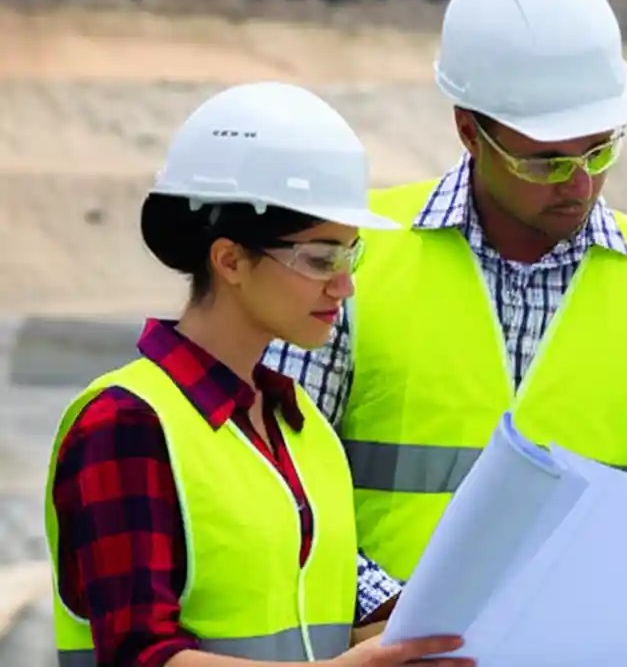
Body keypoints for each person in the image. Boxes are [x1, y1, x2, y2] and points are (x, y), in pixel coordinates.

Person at [263, 0, 627, 591]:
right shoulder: (351, 266)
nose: (580, 184)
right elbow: (274, 484)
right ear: (470, 132)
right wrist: (391, 618)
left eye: (600, 148)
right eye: (546, 161)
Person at [44, 82, 472, 667]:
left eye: (352, 256)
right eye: (321, 259)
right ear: (230, 261)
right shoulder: (127, 424)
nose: (343, 284)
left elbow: (300, 634)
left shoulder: (304, 431)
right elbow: (140, 656)